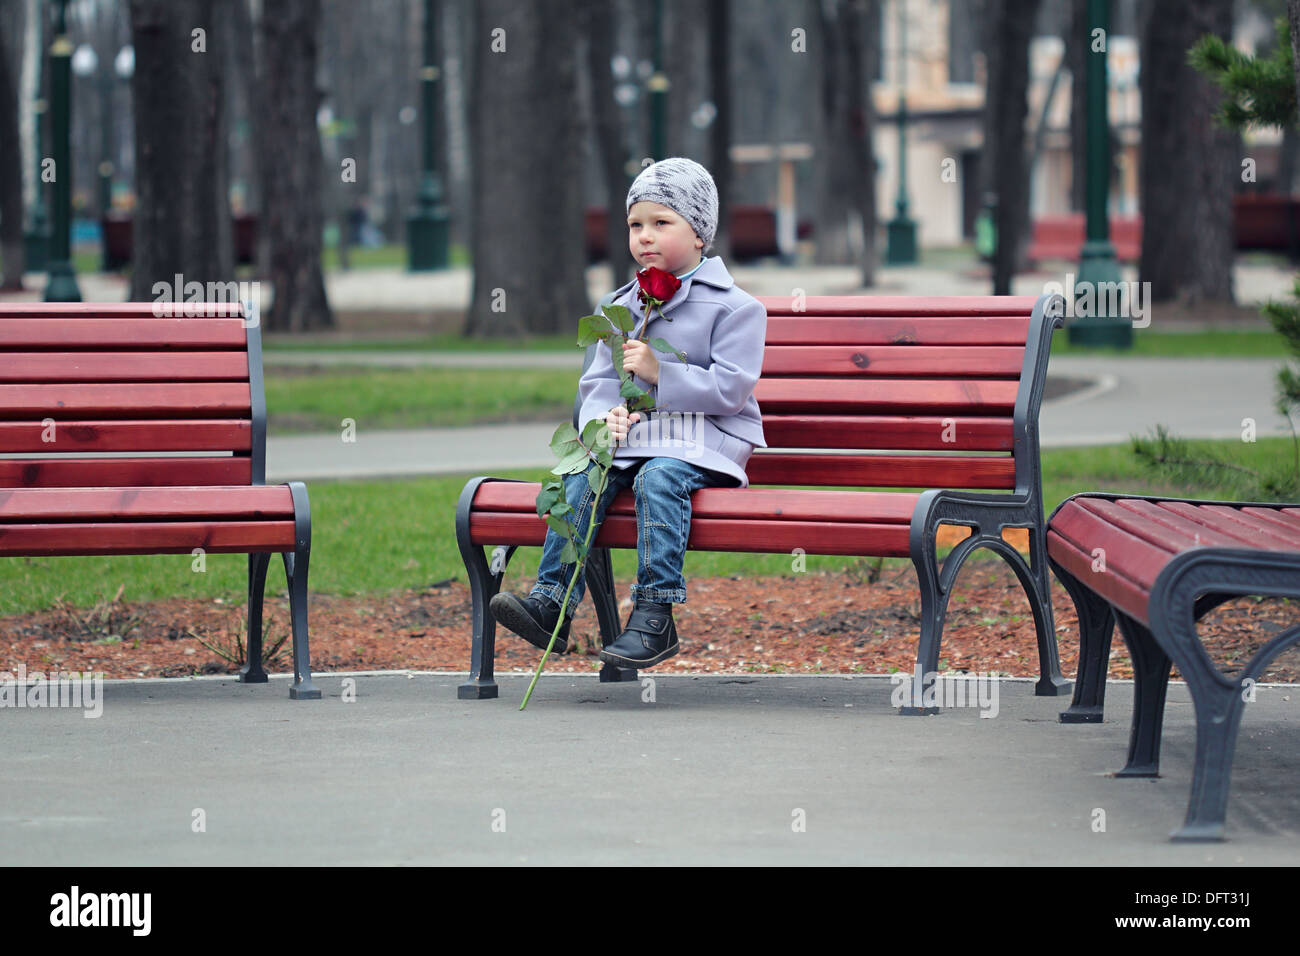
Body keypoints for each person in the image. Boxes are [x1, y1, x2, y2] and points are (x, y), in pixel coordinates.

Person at [490, 157, 767, 668]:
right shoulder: (620, 307)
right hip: (637, 441)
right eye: (636, 225)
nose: (646, 236)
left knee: (658, 480)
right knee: (581, 475)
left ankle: (654, 615)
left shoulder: (736, 309)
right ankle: (552, 602)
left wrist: (662, 374)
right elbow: (597, 383)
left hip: (703, 441)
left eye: (663, 223)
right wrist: (606, 417)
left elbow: (731, 390)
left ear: (701, 232)